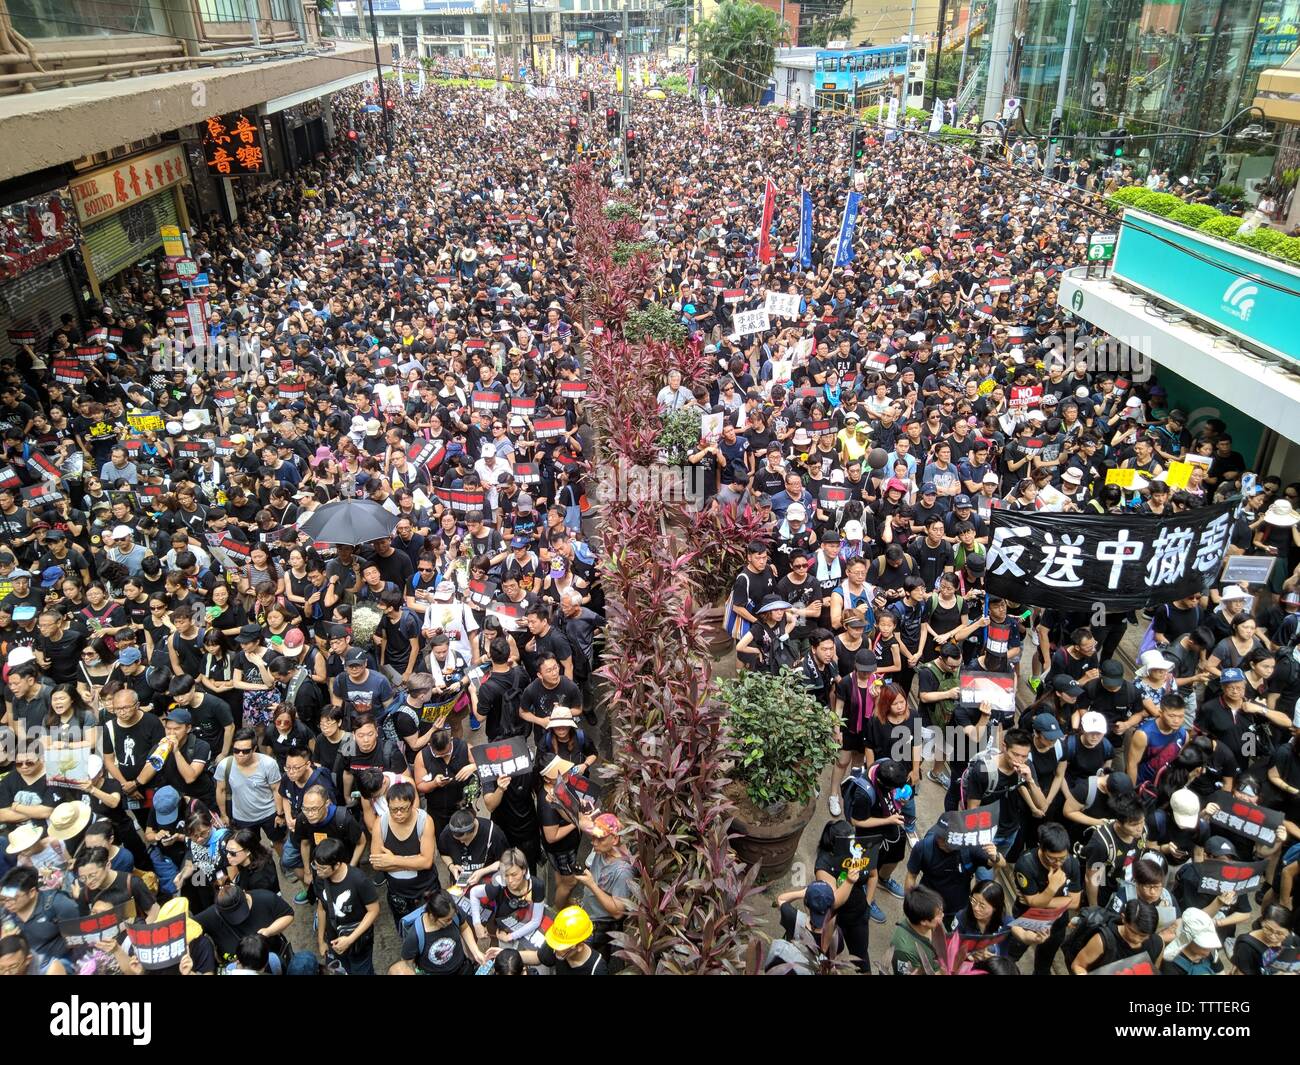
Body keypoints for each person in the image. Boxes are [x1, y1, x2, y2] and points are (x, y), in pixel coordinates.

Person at [1009, 822, 1082, 975]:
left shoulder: (1071, 863)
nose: (1058, 863)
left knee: (1043, 966)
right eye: (1052, 858)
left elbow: (1075, 902)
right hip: (1027, 920)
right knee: (1008, 958)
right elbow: (1032, 903)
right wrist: (1052, 887)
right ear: (1041, 848)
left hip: (1057, 924)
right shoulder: (1026, 864)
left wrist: (1039, 900)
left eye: (1062, 858)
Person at [312, 837, 380, 976]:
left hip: (358, 941)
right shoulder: (320, 877)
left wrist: (349, 939)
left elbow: (373, 911)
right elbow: (321, 908)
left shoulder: (358, 880)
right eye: (315, 866)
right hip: (334, 940)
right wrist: (321, 941)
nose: (318, 872)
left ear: (337, 865)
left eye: (323, 868)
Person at [884, 885, 944, 974]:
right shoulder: (903, 951)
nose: (943, 915)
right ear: (923, 921)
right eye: (939, 914)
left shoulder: (935, 922)